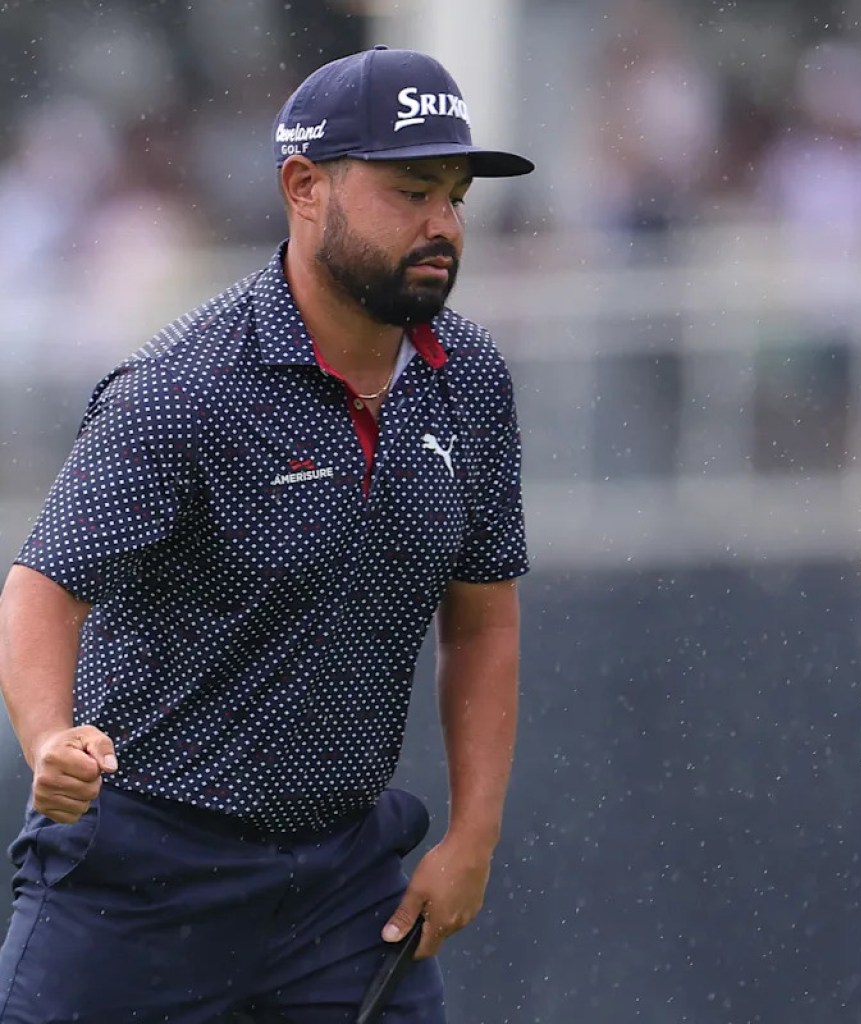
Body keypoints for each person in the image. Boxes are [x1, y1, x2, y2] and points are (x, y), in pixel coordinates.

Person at [0, 45, 533, 1023]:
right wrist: (47, 738)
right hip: (140, 880)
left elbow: (485, 618)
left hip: (341, 888)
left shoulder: (471, 378)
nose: (443, 225)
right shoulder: (181, 390)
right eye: (412, 191)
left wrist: (474, 836)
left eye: (454, 196)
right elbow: (42, 583)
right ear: (303, 187)